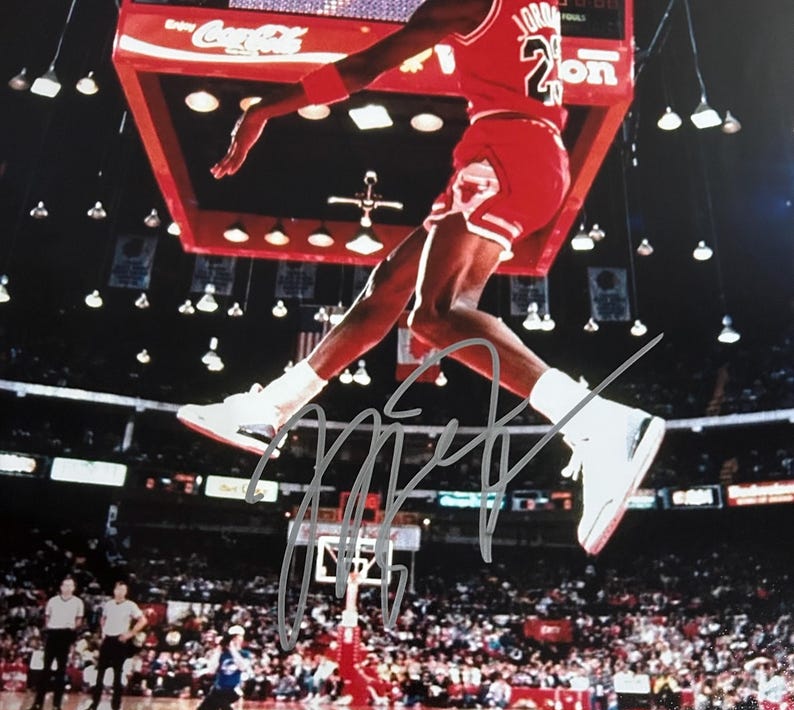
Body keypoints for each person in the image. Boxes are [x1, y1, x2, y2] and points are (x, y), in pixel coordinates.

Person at [178, 0, 665, 555]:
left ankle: (595, 421)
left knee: (434, 314)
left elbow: (363, 69)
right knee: (387, 288)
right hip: (522, 151)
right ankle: (270, 410)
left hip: (504, 151)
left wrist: (266, 107)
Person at [82, 581, 147, 710]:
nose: (120, 592)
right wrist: (103, 632)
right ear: (114, 590)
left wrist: (130, 633)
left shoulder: (130, 605)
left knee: (118, 674)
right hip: (108, 639)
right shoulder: (109, 604)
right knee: (100, 673)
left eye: (123, 590)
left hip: (120, 640)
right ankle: (94, 705)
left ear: (126, 592)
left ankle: (115, 707)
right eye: (118, 589)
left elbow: (143, 620)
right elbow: (103, 618)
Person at [27, 576, 84, 710]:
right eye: (65, 585)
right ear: (61, 587)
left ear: (74, 588)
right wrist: (51, 628)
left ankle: (56, 705)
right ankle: (38, 703)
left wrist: (71, 631)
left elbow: (79, 620)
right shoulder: (53, 601)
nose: (67, 588)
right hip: (53, 634)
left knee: (61, 671)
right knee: (45, 670)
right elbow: (47, 617)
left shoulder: (78, 602)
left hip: (66, 634)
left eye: (70, 585)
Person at [190, 625, 251, 710]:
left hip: (233, 689)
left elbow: (242, 667)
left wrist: (233, 649)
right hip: (219, 689)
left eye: (237, 637)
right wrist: (218, 650)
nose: (235, 640)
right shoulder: (221, 653)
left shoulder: (244, 654)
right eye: (233, 638)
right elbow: (212, 670)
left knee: (216, 696)